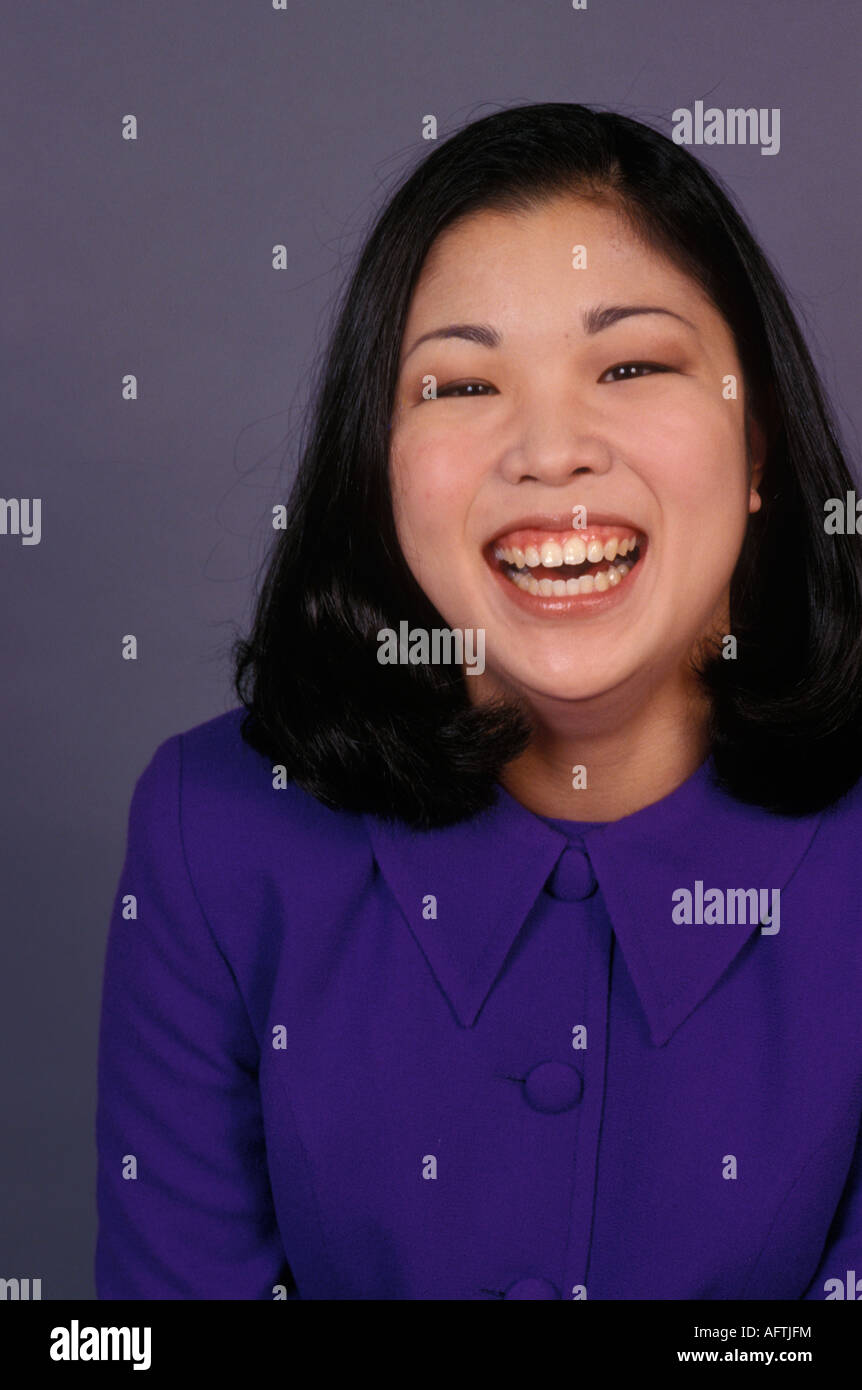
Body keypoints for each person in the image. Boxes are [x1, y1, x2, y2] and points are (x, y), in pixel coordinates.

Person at [95, 102, 862, 1300]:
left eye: (629, 364)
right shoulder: (217, 829)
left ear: (756, 444)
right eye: (459, 385)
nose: (549, 450)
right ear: (379, 463)